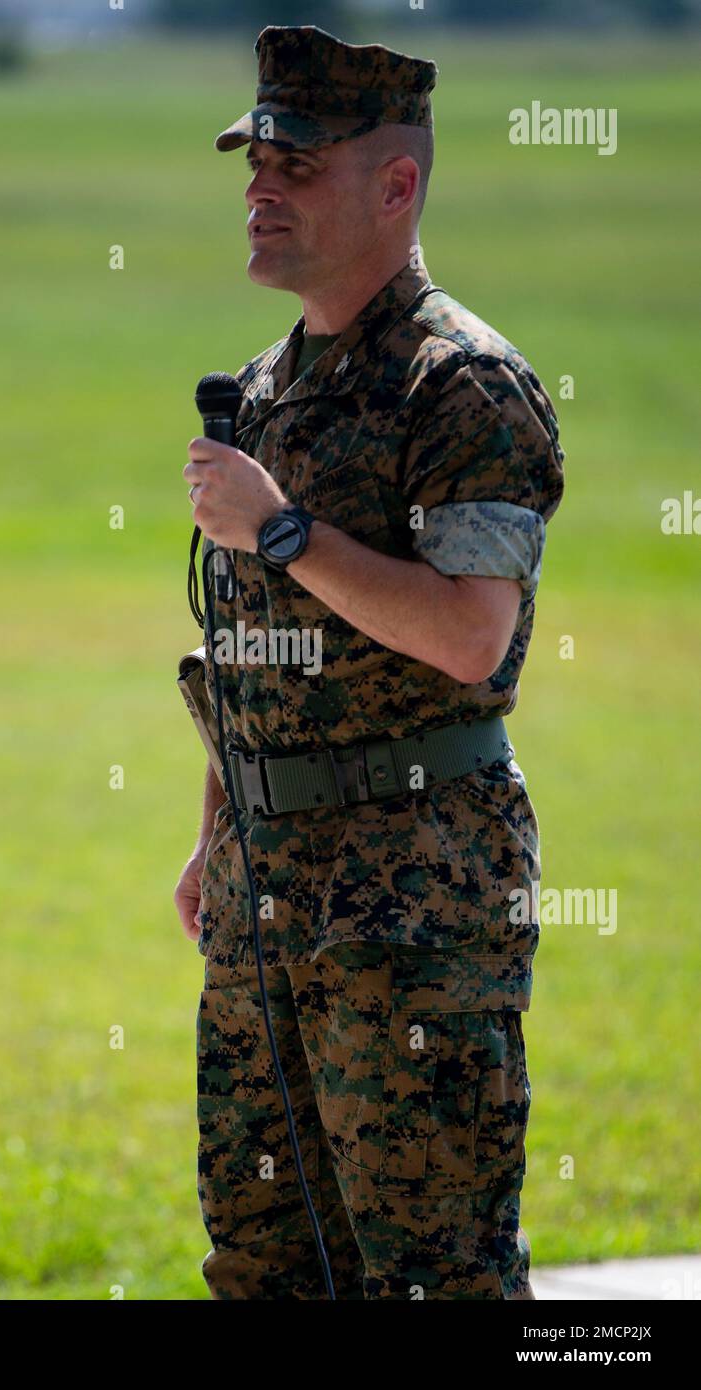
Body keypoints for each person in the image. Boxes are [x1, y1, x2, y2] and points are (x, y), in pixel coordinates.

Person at [174, 24, 564, 1300]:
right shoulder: (264, 393)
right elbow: (247, 658)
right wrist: (215, 828)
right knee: (262, 1270)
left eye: (295, 161)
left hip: (410, 917)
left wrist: (283, 528)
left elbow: (467, 634)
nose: (258, 187)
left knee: (430, 1280)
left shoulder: (465, 389)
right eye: (253, 158)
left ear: (395, 185)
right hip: (265, 908)